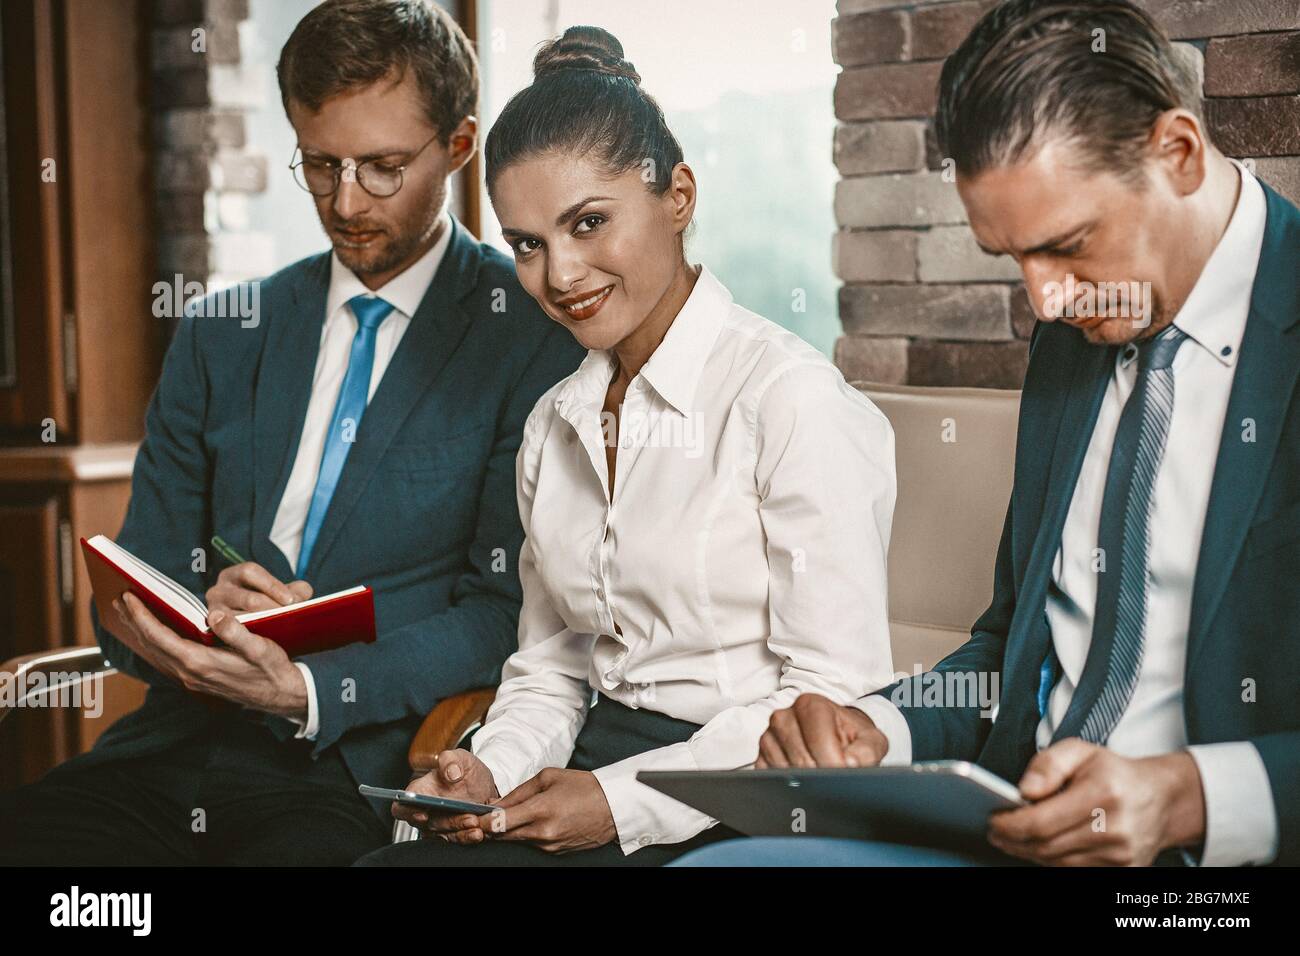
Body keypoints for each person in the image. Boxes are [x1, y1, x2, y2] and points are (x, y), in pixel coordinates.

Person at [677, 0, 1298, 868]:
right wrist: (879, 728)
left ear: (1179, 154)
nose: (1043, 301)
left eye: (1070, 244)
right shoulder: (1073, 336)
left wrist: (1190, 798)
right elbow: (1013, 645)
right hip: (1008, 837)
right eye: (1013, 258)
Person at [0, 0, 582, 866]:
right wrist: (198, 618)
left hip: (345, 766)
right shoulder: (221, 330)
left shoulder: (526, 335)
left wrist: (306, 686)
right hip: (162, 754)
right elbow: (125, 597)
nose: (345, 201)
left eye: (382, 167)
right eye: (319, 164)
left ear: (459, 148)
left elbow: (502, 613)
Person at [355, 25, 898, 867]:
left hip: (736, 794)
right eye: (528, 245)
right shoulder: (551, 425)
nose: (560, 274)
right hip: (582, 772)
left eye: (589, 223)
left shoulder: (788, 400)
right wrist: (491, 769)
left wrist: (619, 802)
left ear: (678, 195)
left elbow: (832, 701)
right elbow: (552, 664)